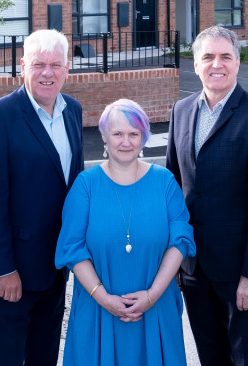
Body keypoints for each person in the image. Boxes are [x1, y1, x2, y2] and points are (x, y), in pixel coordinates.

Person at [165, 25, 248, 366]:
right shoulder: (182, 110)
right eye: (208, 57)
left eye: (225, 57)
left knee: (245, 358)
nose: (216, 64)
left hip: (238, 274)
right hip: (193, 267)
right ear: (195, 63)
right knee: (210, 356)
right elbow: (174, 190)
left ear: (237, 63)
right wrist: (173, 259)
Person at [55, 99, 195, 366]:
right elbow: (72, 248)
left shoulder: (165, 182)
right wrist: (104, 298)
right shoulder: (86, 185)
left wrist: (152, 296)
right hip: (98, 310)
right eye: (118, 133)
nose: (125, 141)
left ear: (143, 138)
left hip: (155, 310)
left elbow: (180, 241)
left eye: (134, 134)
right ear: (104, 137)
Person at [0, 29, 84, 366]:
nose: (47, 73)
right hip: (13, 275)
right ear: (22, 66)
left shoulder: (73, 111)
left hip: (55, 269)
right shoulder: (0, 116)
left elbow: (74, 190)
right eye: (38, 64)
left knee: (45, 357)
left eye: (55, 64)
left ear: (68, 68)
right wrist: (3, 269)